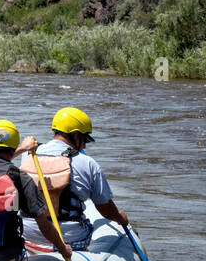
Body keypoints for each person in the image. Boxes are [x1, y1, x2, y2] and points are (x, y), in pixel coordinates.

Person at [0, 120, 73, 261]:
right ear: (14, 147)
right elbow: (43, 225)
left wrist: (23, 149)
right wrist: (63, 249)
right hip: (6, 256)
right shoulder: (20, 178)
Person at [20, 106, 128, 249]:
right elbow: (105, 208)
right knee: (90, 225)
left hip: (27, 233)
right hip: (68, 238)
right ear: (76, 135)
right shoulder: (87, 163)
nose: (84, 145)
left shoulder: (28, 154)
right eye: (85, 139)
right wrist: (120, 218)